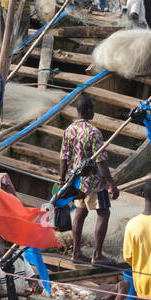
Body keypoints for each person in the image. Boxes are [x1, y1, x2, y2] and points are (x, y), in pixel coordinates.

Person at [58, 96, 118, 265]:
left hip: (75, 181)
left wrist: (62, 180)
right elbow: (101, 161)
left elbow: (64, 157)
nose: (94, 112)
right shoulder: (93, 132)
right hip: (93, 182)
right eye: (92, 109)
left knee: (80, 213)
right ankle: (97, 255)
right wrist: (111, 183)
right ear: (85, 111)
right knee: (104, 213)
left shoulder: (69, 130)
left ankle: (76, 252)